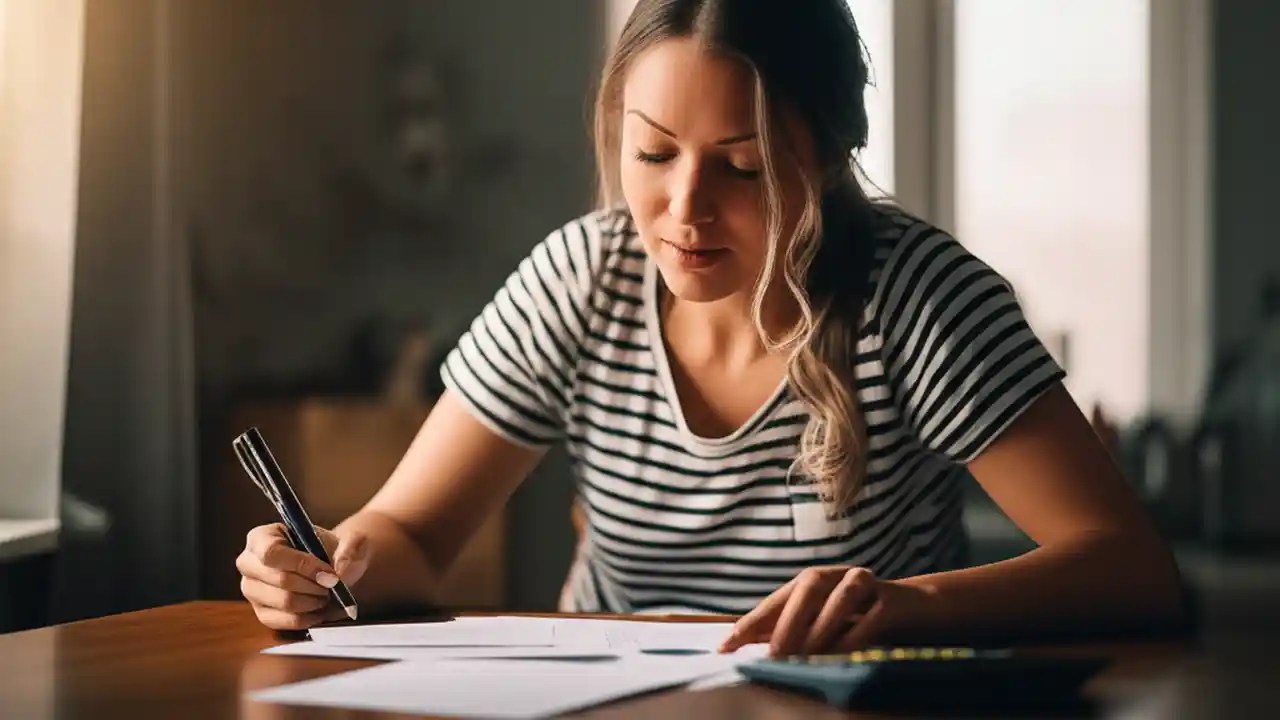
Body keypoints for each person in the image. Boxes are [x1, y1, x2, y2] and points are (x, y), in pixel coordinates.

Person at [236, 0, 1186, 657]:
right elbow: (412, 535)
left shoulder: (919, 297)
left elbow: (1132, 569)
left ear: (829, 152)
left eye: (741, 165)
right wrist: (330, 561)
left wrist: (906, 608)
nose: (682, 209)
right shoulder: (582, 276)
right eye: (652, 153)